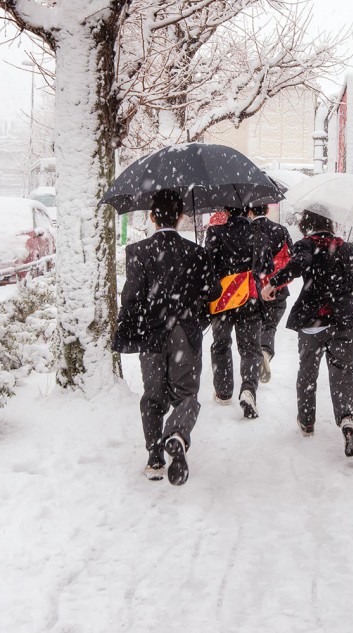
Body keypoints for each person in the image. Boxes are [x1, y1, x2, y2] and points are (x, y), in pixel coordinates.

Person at [112, 190, 219, 486]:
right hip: (185, 331)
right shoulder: (196, 253)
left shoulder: (139, 251)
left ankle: (154, 457)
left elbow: (131, 297)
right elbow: (214, 293)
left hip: (152, 333)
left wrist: (127, 329)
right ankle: (176, 434)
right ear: (181, 217)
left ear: (151, 216)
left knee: (154, 395)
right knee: (186, 394)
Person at [260, 207, 353, 457]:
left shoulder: (305, 245)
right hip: (343, 321)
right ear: (330, 223)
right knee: (344, 373)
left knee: (308, 371)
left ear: (306, 225)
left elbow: (300, 264)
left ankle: (307, 421)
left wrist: (273, 283)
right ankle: (348, 420)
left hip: (312, 321)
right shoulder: (346, 248)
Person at [205, 205, 273, 419]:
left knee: (221, 344)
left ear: (226, 210)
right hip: (250, 299)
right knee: (251, 348)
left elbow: (208, 267)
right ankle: (248, 390)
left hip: (222, 300)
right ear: (249, 211)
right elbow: (266, 268)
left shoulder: (215, 232)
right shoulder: (259, 235)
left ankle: (224, 392)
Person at [248, 203, 294, 383]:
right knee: (270, 326)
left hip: (252, 289)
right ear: (267, 211)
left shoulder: (248, 231)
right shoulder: (281, 230)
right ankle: (265, 351)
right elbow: (292, 258)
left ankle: (253, 358)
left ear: (250, 212)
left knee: (253, 325)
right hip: (278, 288)